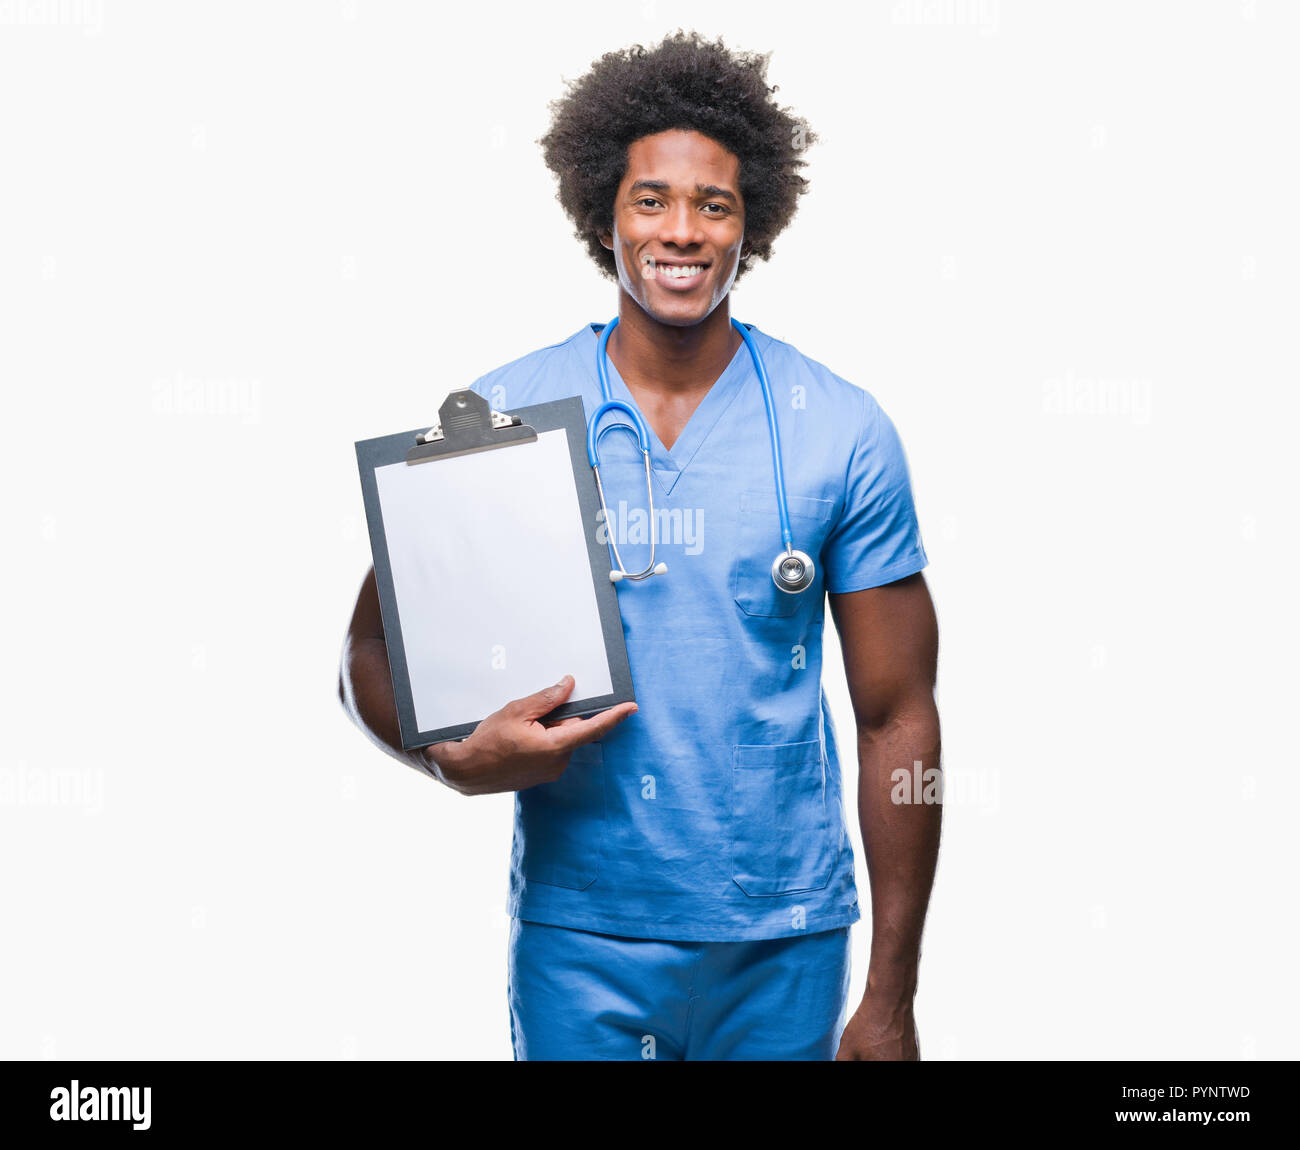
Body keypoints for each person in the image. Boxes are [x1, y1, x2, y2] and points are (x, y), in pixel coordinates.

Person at [338, 29, 942, 1061]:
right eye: (650, 198)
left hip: (785, 936)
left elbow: (899, 715)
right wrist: (449, 759)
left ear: (751, 226)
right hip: (582, 935)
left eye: (715, 203)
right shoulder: (510, 415)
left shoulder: (837, 427)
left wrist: (888, 996)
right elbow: (368, 654)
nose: (683, 231)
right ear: (602, 215)